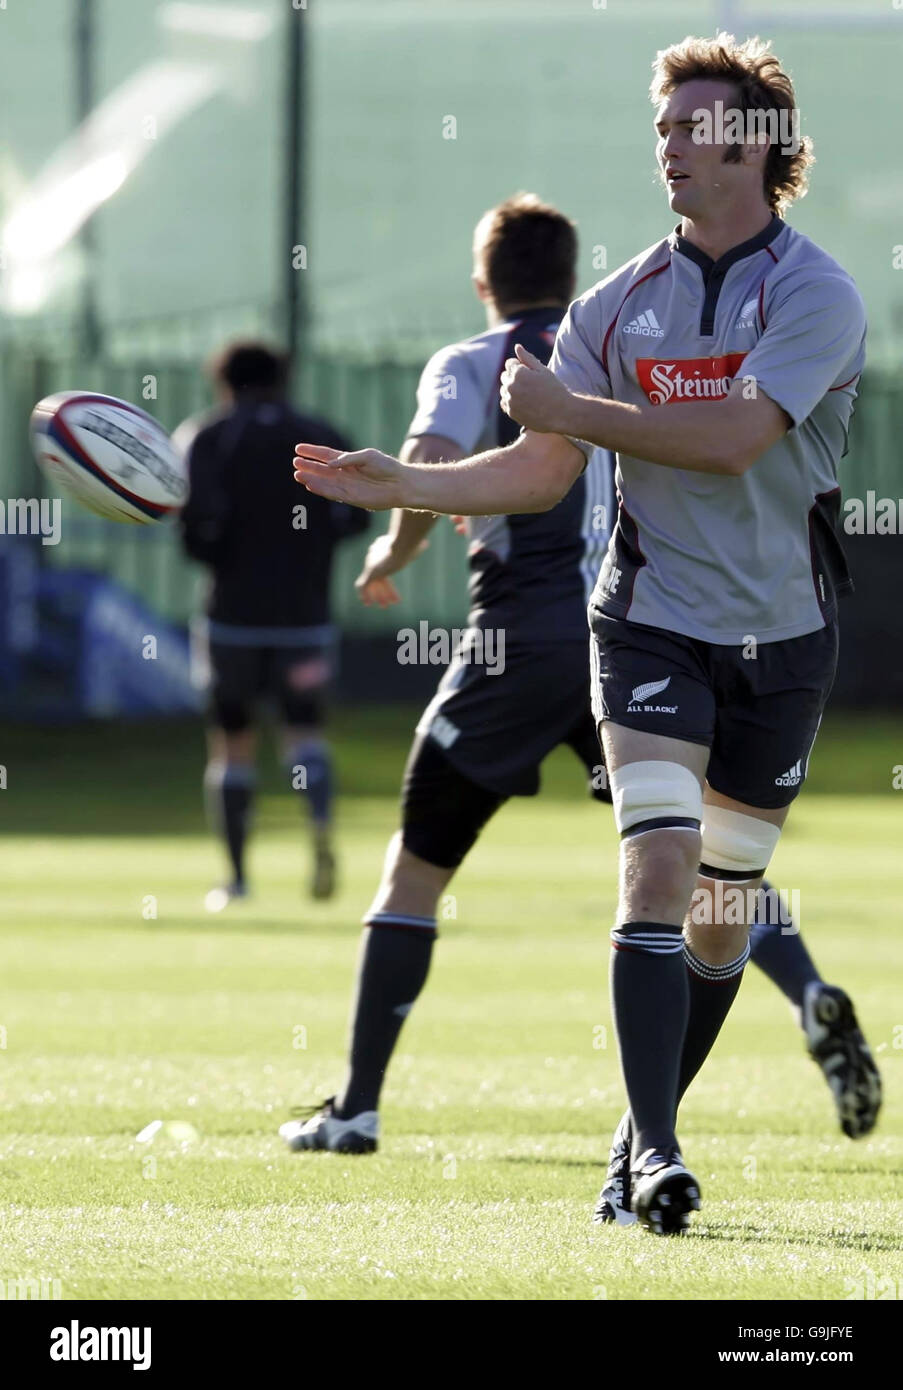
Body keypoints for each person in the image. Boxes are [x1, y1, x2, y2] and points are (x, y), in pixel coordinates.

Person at [291, 34, 880, 1233]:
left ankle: (631, 1136)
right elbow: (538, 470)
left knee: (723, 917)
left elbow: (732, 440)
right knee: (658, 872)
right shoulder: (619, 304)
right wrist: (399, 486)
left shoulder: (816, 291)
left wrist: (567, 404)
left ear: (758, 143)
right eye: (660, 128)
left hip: (785, 638)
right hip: (647, 624)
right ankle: (660, 1151)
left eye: (693, 127)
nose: (668, 146)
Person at [279, 193, 614, 1157]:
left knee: (415, 870)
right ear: (572, 272)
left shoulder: (475, 361)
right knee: (697, 856)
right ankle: (809, 996)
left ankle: (355, 1108)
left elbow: (423, 459)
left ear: (484, 283)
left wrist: (391, 554)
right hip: (627, 640)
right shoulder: (607, 360)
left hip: (515, 648)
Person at [177, 340, 368, 909]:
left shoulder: (207, 437)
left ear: (223, 381)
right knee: (305, 735)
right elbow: (356, 514)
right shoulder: (322, 435)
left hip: (230, 622)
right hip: (304, 621)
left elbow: (193, 529)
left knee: (232, 745)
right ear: (284, 377)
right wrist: (311, 548)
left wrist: (225, 551)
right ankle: (319, 832)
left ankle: (236, 879)